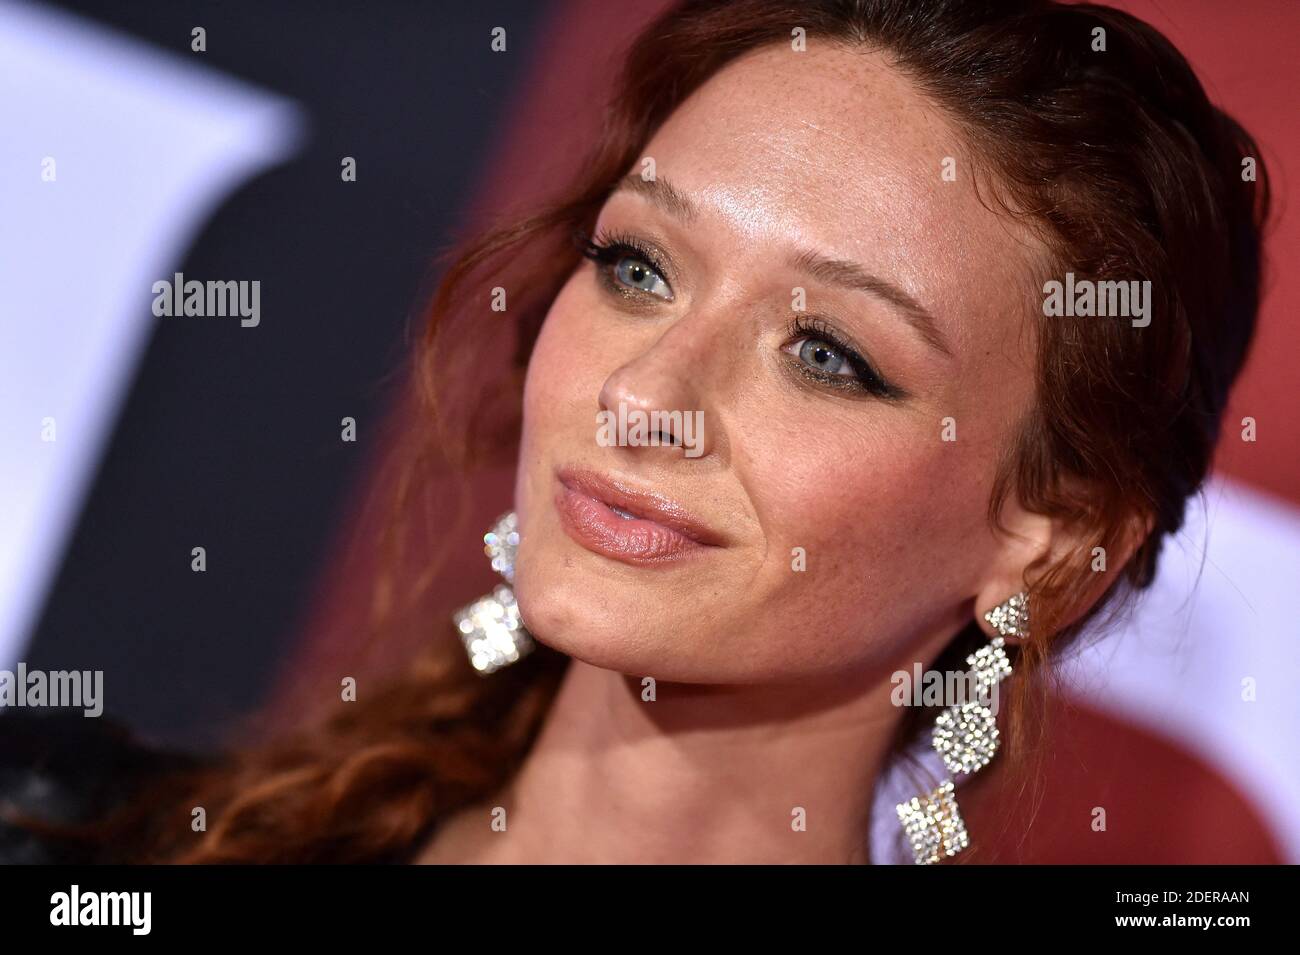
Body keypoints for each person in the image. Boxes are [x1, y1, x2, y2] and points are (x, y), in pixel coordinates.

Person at [0, 0, 1270, 864]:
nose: (643, 394)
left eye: (826, 353)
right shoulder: (58, 832)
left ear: (1051, 549)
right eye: (637, 267)